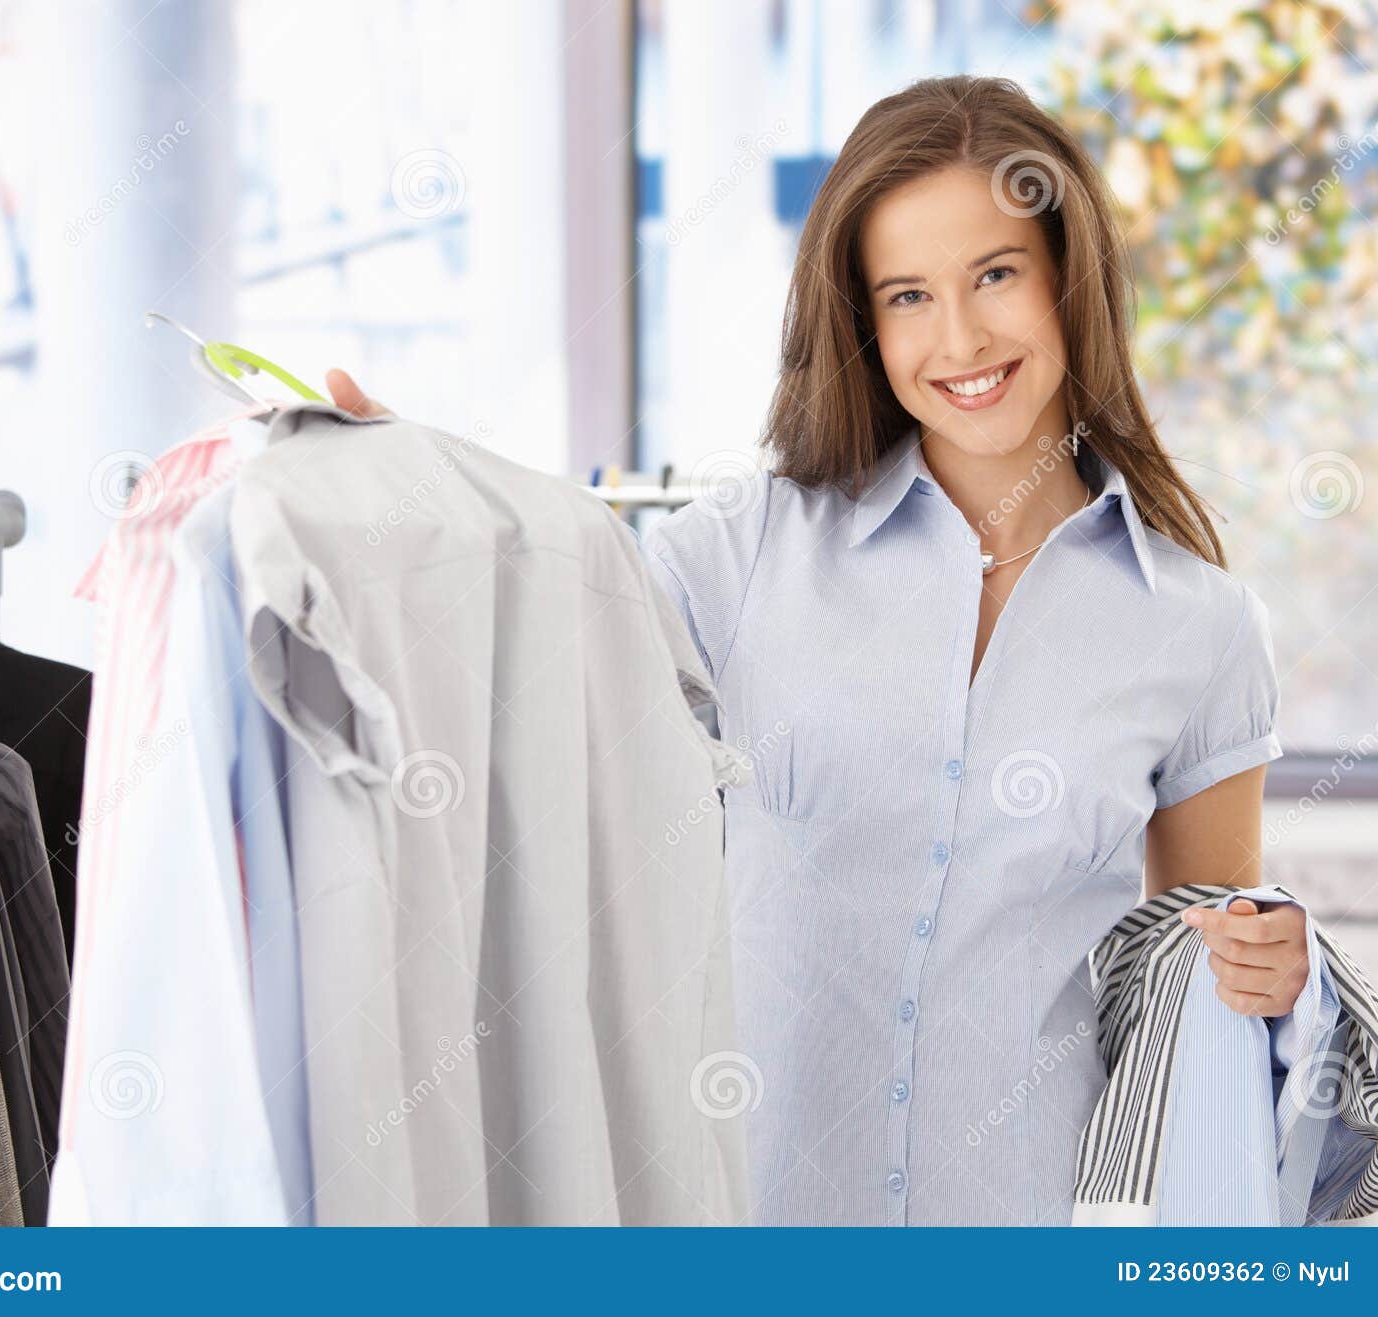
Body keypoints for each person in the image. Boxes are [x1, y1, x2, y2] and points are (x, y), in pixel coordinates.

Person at [324, 73, 1313, 1226]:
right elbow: (526, 630)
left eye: (995, 274)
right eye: (907, 295)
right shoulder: (737, 556)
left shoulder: (1197, 627)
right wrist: (390, 479)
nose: (959, 338)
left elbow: (1187, 991)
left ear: (1067, 277)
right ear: (862, 323)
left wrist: (1272, 971)